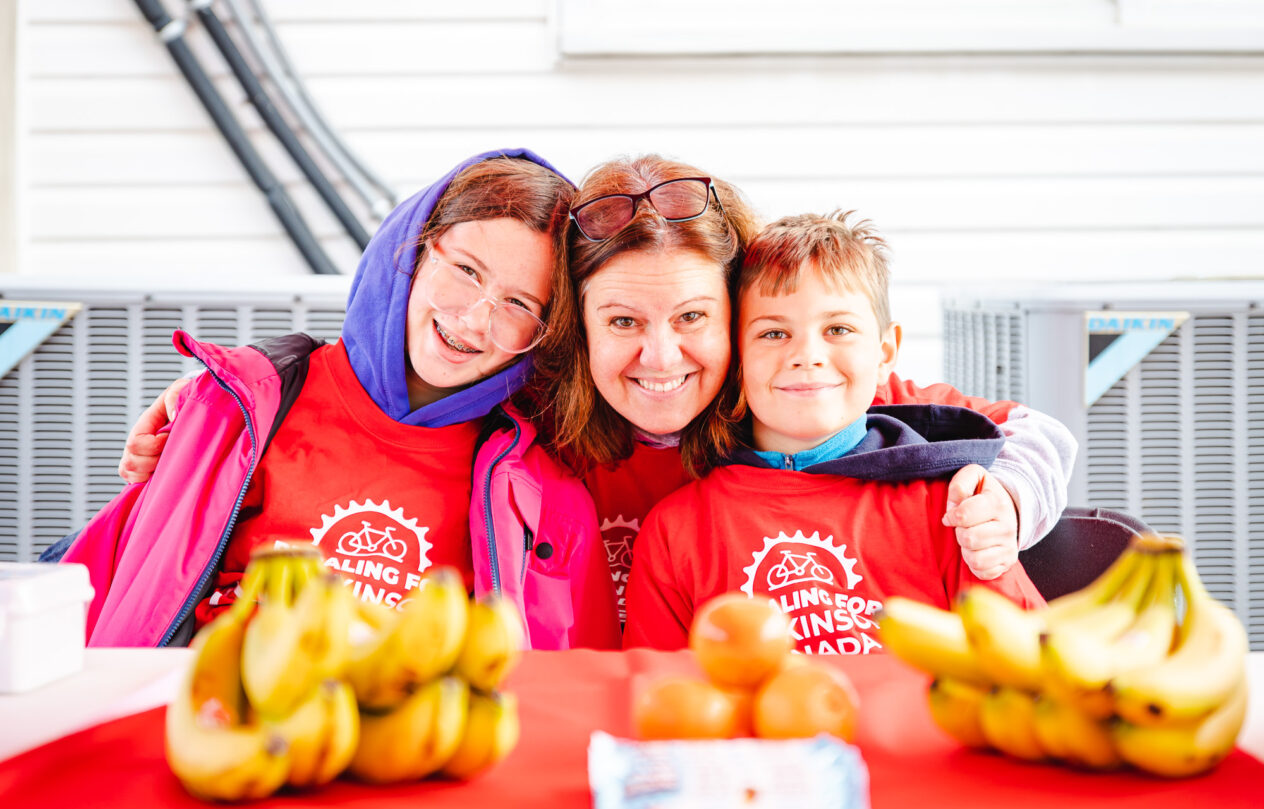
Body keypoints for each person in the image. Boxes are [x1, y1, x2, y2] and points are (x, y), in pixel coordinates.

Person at [114, 154, 1075, 628]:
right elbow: (393, 395)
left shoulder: (797, 394)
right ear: (571, 329)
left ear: (740, 320)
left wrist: (1011, 497)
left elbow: (1021, 429)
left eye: (694, 319)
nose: (661, 358)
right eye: (622, 322)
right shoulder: (517, 423)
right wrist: (237, 412)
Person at [58, 148, 621, 651]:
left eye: (521, 305)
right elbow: (112, 592)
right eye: (467, 271)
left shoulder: (545, 485)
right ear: (412, 250)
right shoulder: (243, 409)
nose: (475, 319)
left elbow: (575, 681)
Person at [622, 211, 1046, 652]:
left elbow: (1028, 667)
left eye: (838, 329)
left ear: (885, 352)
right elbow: (662, 698)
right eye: (773, 333)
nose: (807, 355)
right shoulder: (677, 531)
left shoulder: (952, 509)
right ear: (736, 355)